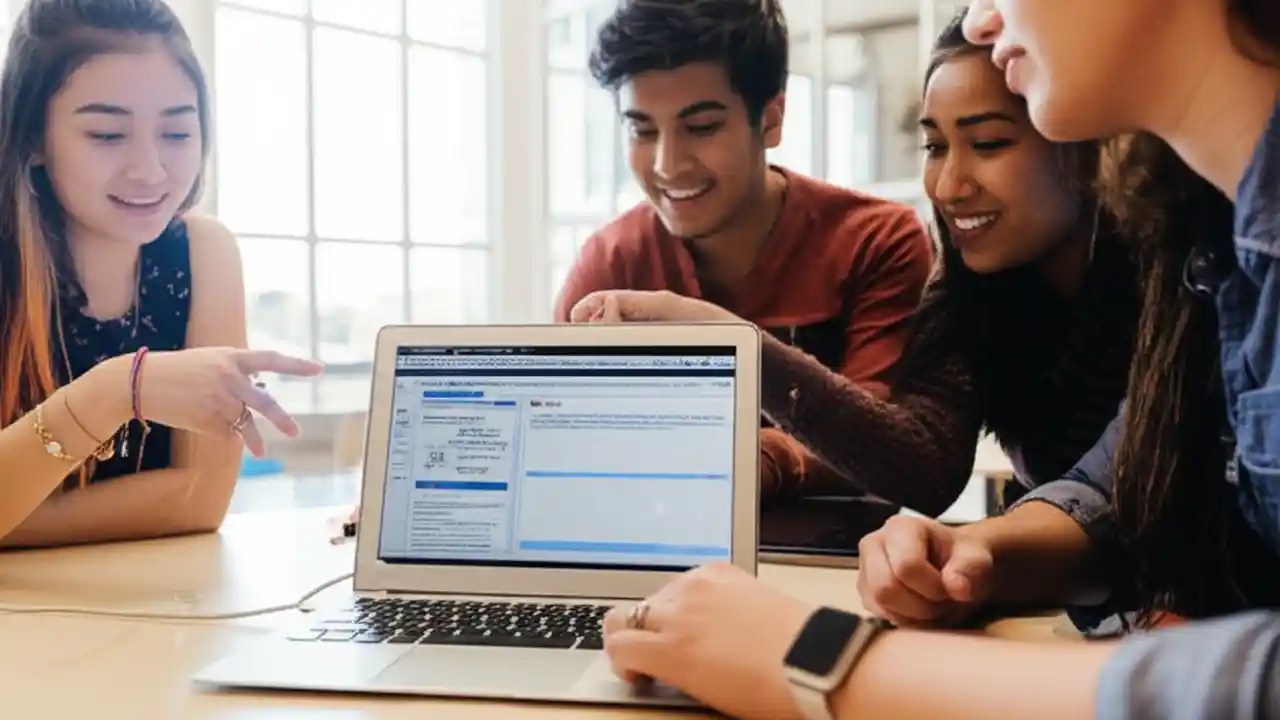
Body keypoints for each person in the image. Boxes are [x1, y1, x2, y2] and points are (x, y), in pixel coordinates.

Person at [593, 2, 1280, 719]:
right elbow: (1109, 486)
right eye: (934, 146)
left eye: (987, 142)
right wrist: (977, 554)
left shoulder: (1171, 257)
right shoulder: (1210, 248)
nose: (984, 18)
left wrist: (827, 662)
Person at [573, 12, 1141, 521]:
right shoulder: (974, 286)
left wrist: (733, 346)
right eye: (934, 147)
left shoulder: (1169, 283)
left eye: (989, 143)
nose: (948, 186)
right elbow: (928, 461)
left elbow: (1137, 506)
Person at [554, 0, 933, 510]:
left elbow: (884, 444)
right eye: (642, 130)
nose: (668, 165)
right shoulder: (611, 261)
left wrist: (751, 462)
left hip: (835, 568)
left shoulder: (876, 241)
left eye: (703, 127)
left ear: (772, 119)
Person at [0, 0, 320, 549]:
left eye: (176, 134)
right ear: (33, 139)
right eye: (105, 135)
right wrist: (118, 389)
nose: (149, 170)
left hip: (144, 608)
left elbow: (200, 503)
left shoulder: (203, 252)